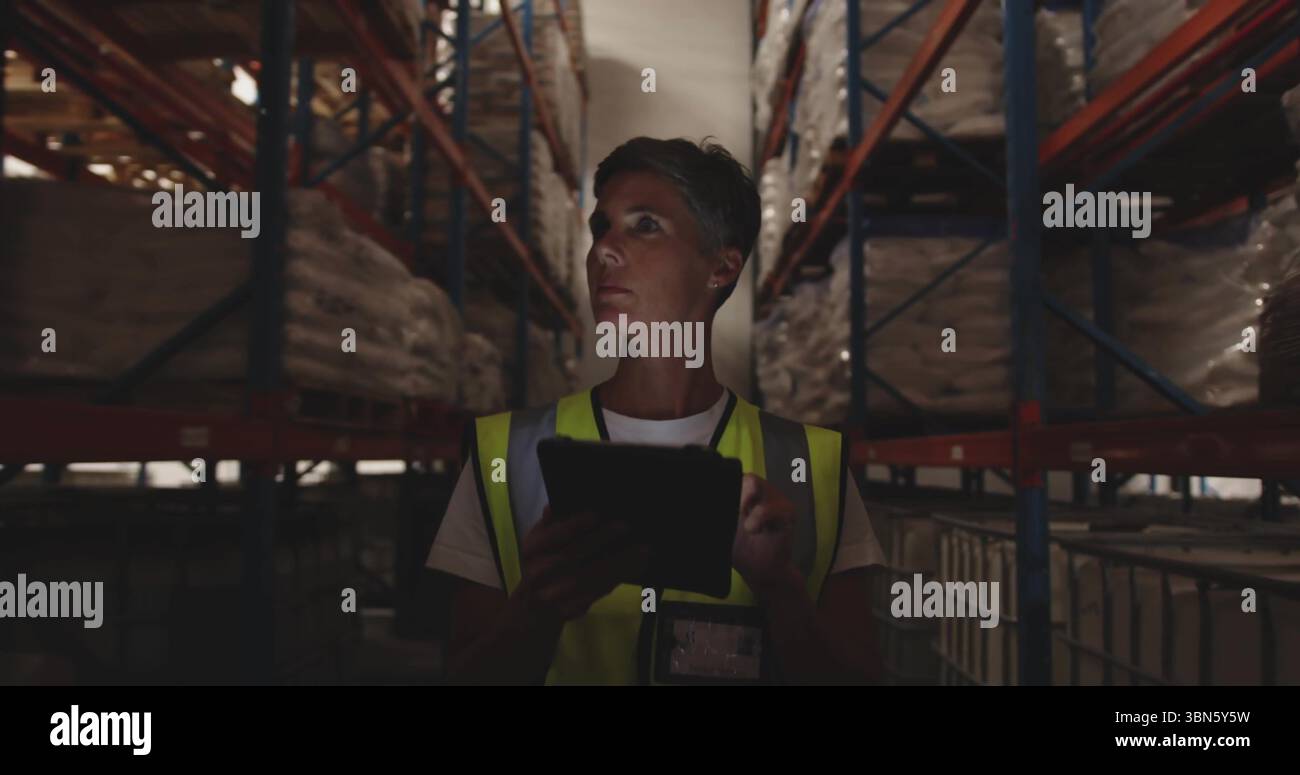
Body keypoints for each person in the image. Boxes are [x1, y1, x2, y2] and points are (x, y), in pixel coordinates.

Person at [427, 136, 885, 685]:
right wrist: (536, 610)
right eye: (600, 229)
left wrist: (779, 588)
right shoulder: (501, 455)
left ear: (721, 266)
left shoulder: (817, 465)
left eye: (644, 226)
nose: (604, 251)